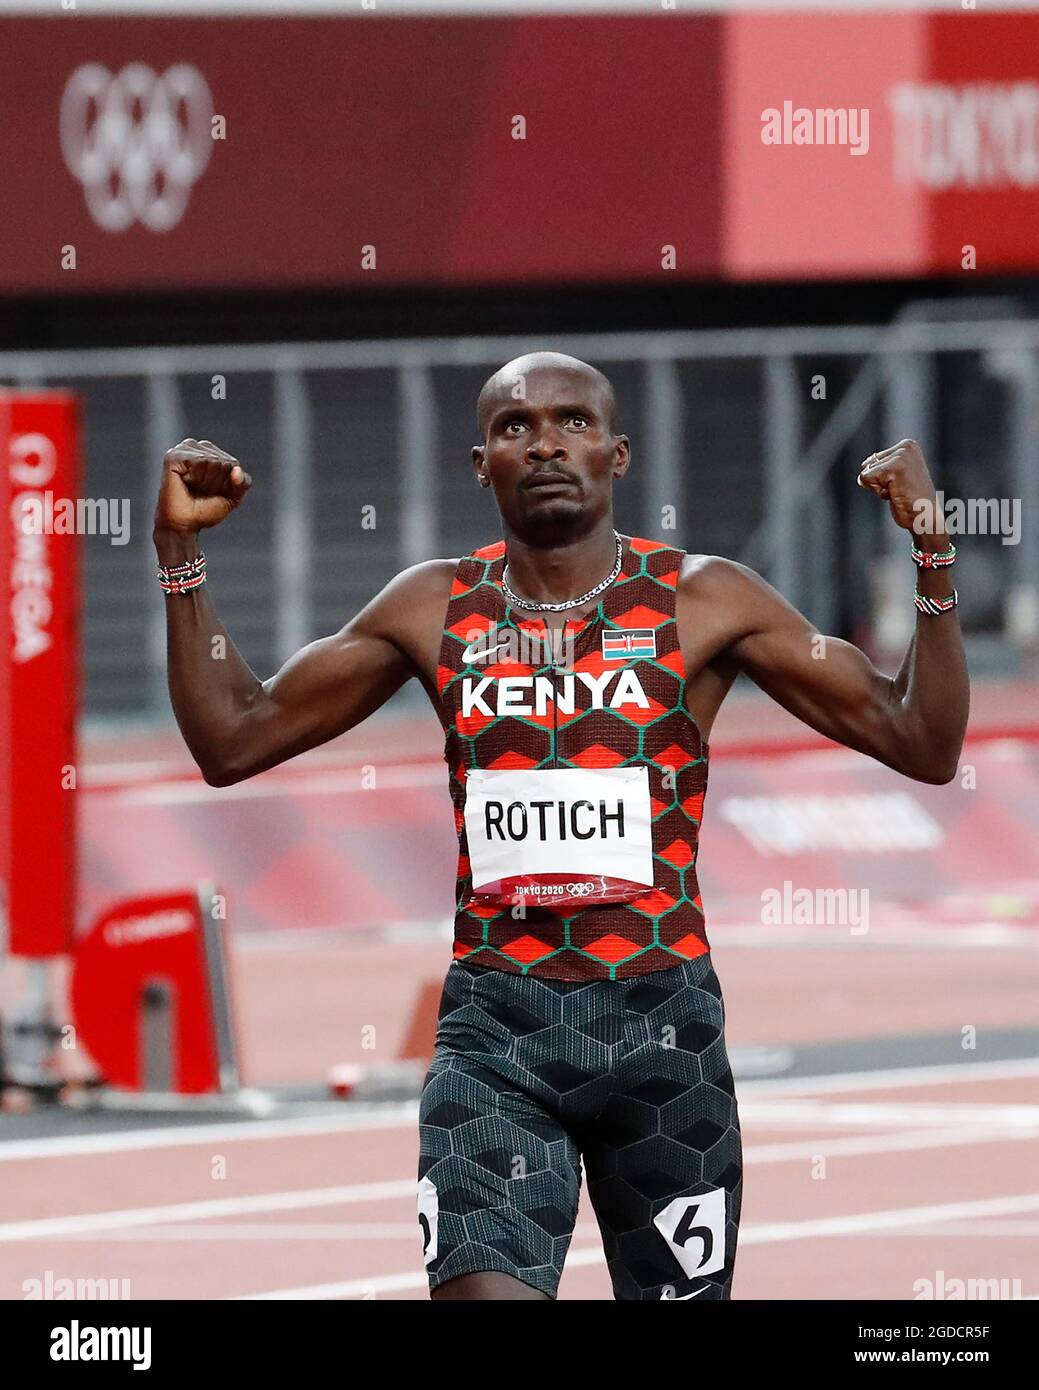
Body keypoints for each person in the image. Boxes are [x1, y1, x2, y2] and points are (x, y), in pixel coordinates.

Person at [153, 350, 968, 1301]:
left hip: (664, 1036)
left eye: (572, 423)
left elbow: (920, 740)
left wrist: (933, 553)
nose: (544, 443)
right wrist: (180, 555)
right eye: (514, 427)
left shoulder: (704, 598)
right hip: (495, 1030)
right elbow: (233, 739)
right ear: (478, 463)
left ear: (618, 456)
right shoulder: (432, 605)